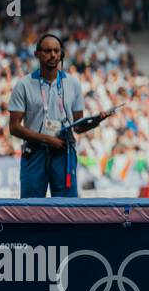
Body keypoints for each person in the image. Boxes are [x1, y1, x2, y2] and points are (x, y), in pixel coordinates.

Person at [7, 34, 107, 198]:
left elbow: (78, 127)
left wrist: (95, 122)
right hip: (34, 152)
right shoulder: (23, 85)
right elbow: (14, 127)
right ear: (37, 54)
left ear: (61, 54)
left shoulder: (73, 84)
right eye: (47, 51)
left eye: (56, 51)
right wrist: (46, 139)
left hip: (64, 150)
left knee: (67, 210)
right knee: (31, 209)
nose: (53, 55)